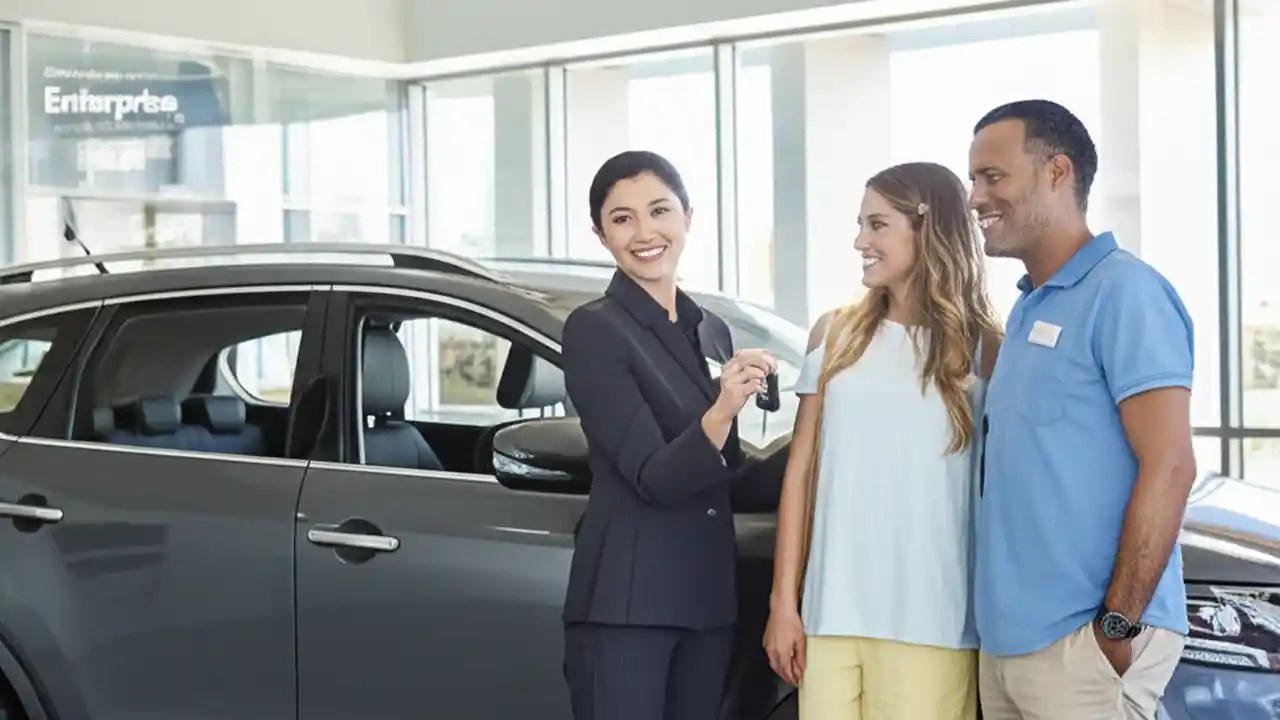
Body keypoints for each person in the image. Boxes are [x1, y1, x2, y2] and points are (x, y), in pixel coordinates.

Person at [968, 99, 1197, 718]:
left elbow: (1171, 466)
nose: (975, 198)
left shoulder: (1126, 292)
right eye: (972, 180)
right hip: (1009, 648)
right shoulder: (1025, 311)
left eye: (993, 177)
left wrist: (1115, 630)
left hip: (1085, 647)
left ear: (1057, 172)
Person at [763, 161, 1004, 719]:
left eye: (876, 225)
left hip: (933, 625)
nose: (860, 241)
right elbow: (800, 473)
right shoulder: (836, 333)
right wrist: (784, 605)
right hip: (829, 618)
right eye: (859, 225)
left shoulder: (986, 348)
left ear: (928, 228)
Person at [559, 149, 777, 720]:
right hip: (629, 605)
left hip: (707, 599)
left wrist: (815, 437)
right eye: (622, 218)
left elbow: (727, 469)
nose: (645, 232)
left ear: (688, 216)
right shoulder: (595, 330)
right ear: (600, 234)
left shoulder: (711, 329)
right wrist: (725, 405)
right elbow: (654, 475)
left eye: (659, 211)